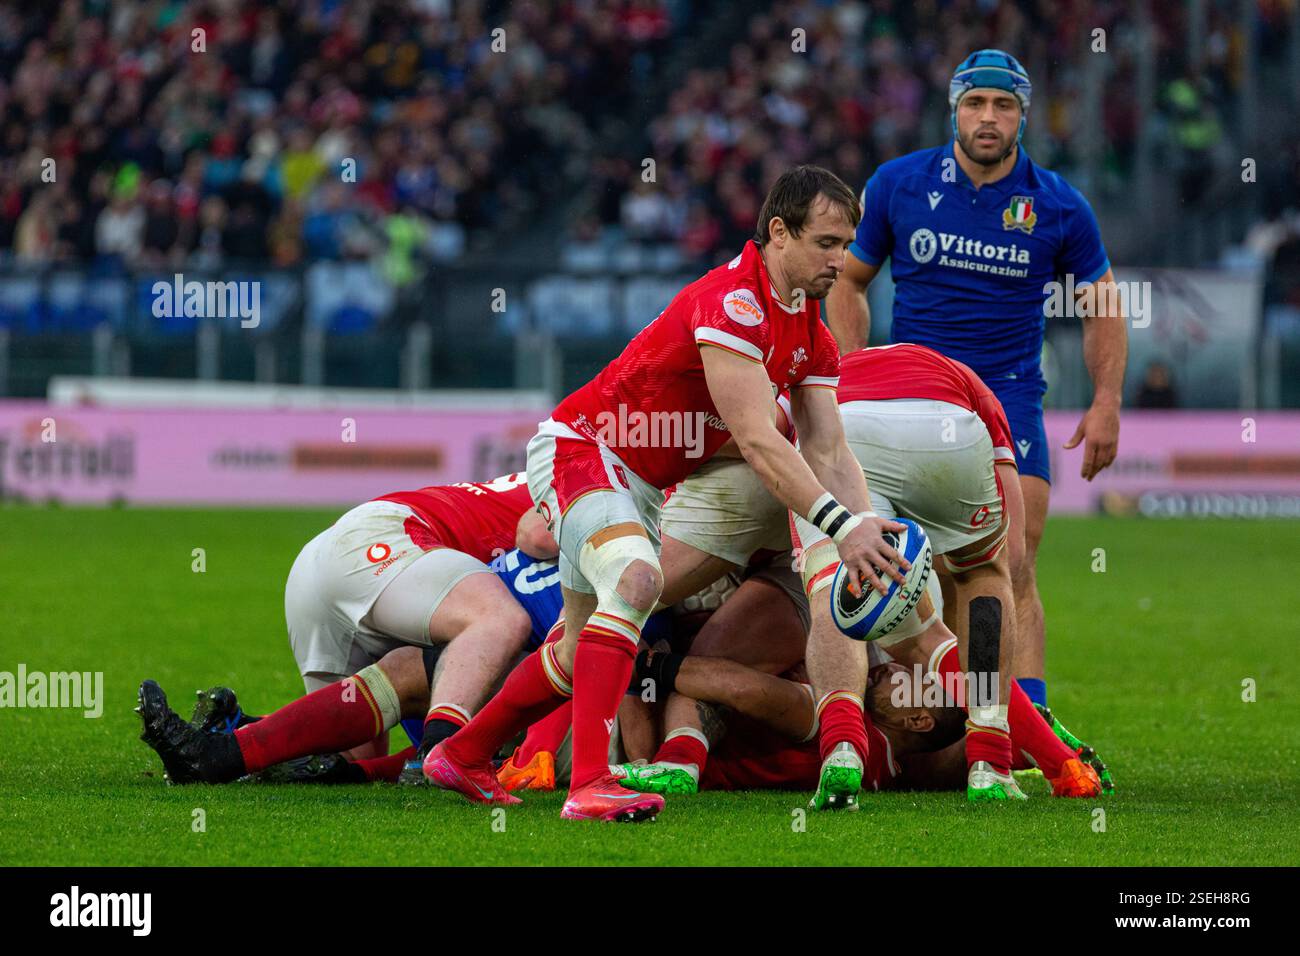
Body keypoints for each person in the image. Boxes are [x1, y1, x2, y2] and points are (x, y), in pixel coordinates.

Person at [424, 165, 909, 823]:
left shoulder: (812, 333)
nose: (841, 260)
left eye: (847, 244)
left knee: (574, 647)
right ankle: (590, 784)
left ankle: (461, 754)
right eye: (826, 242)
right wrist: (838, 526)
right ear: (777, 232)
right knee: (636, 580)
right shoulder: (736, 302)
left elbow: (828, 448)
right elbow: (761, 443)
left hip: (639, 483)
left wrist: (863, 525)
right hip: (584, 449)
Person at [826, 50, 1128, 712]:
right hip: (906, 397)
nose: (988, 118)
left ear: (1023, 116)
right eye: (975, 104)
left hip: (1009, 400)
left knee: (1012, 563)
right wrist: (848, 370)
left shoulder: (1058, 205)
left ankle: (1027, 719)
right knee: (904, 568)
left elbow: (1102, 302)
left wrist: (1107, 402)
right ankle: (929, 717)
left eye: (1003, 105)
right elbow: (847, 280)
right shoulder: (897, 184)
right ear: (954, 110)